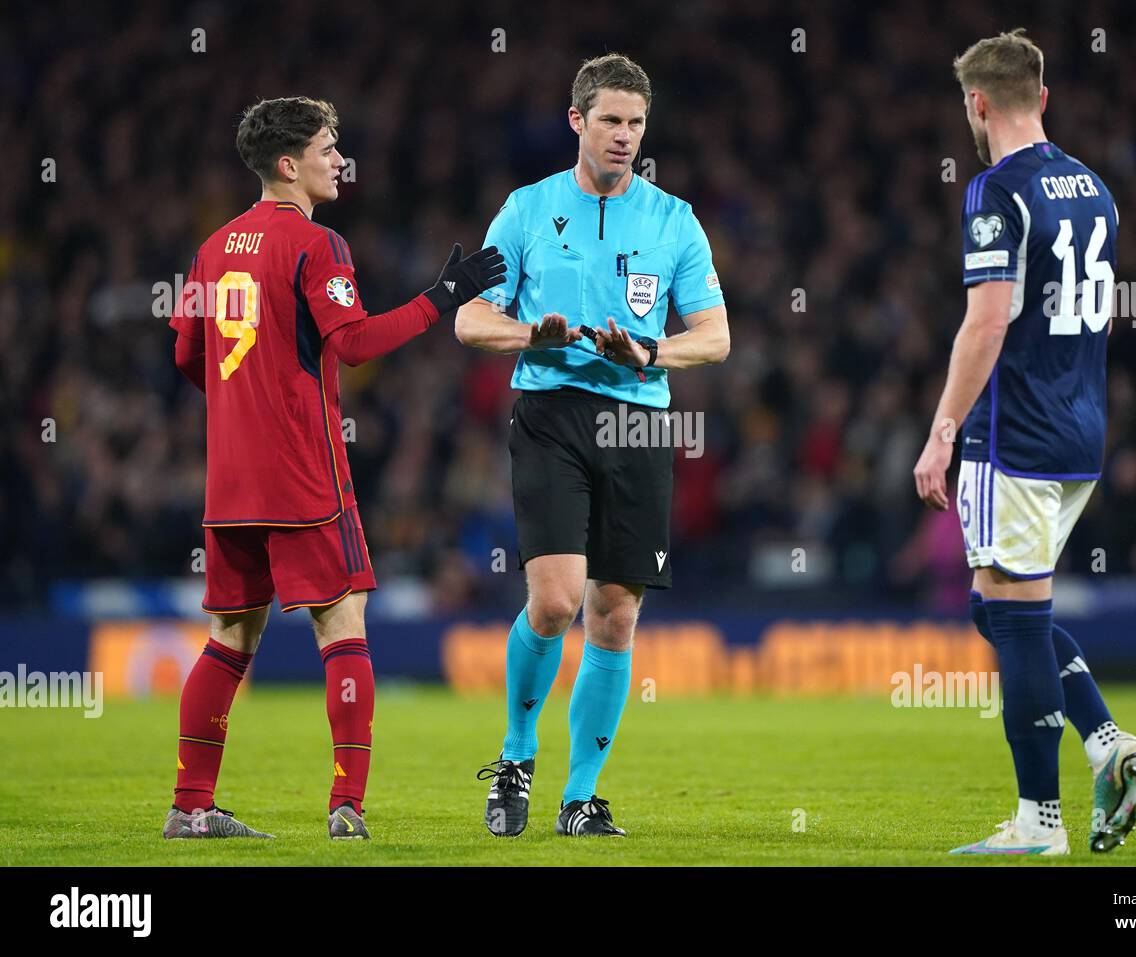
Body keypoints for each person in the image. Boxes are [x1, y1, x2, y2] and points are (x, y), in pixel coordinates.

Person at [165, 96, 504, 841]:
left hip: (229, 483)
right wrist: (441, 298)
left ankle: (190, 807)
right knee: (343, 623)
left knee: (229, 637)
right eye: (327, 148)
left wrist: (241, 405)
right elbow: (351, 343)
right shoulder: (320, 245)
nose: (338, 160)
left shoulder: (210, 248)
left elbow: (188, 356)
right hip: (304, 475)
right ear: (289, 165)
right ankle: (346, 804)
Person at [456, 54, 730, 837]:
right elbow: (471, 318)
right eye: (610, 120)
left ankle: (581, 796)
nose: (625, 136)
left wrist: (653, 352)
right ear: (577, 121)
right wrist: (526, 333)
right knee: (552, 600)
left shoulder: (673, 219)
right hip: (550, 410)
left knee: (613, 616)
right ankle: (515, 755)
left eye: (636, 123)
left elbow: (714, 336)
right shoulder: (526, 209)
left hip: (639, 420)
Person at [912, 30, 1136, 855]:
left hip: (1014, 432)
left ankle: (1037, 821)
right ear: (1041, 96)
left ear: (976, 104)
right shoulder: (1097, 190)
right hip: (1081, 427)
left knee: (1012, 622)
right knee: (1000, 604)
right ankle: (1105, 742)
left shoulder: (996, 190)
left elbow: (987, 320)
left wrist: (943, 431)